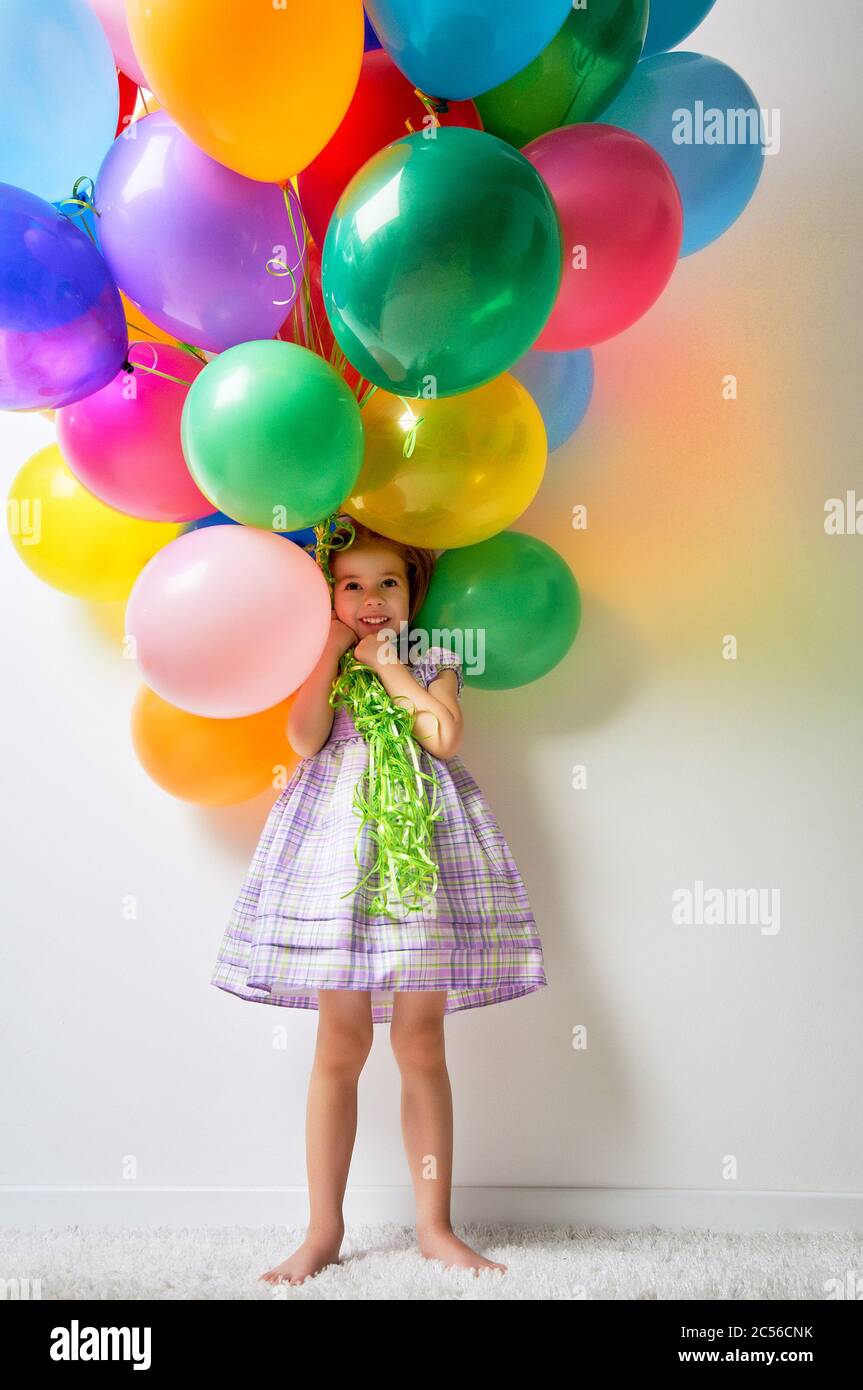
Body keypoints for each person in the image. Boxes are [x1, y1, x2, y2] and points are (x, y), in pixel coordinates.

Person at [210, 514, 547, 1284]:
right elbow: (301, 739)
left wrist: (390, 666)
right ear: (327, 595)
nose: (370, 598)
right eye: (351, 585)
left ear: (412, 591)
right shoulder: (317, 658)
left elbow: (443, 736)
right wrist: (331, 654)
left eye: (387, 582)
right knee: (340, 1043)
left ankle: (434, 1226)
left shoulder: (432, 658)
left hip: (420, 854)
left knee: (421, 1042)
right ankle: (322, 1230)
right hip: (338, 854)